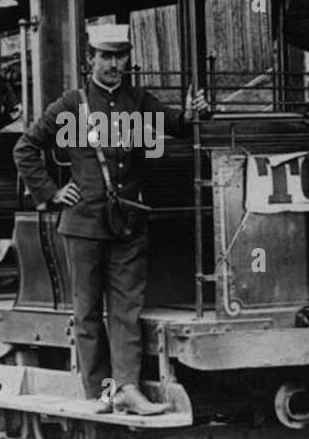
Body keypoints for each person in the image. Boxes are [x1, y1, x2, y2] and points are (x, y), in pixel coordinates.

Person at [13, 23, 210, 416]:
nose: (113, 64)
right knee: (87, 313)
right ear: (90, 60)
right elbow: (26, 148)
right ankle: (101, 394)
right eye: (106, 56)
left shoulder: (138, 99)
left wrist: (193, 112)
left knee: (126, 311)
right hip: (82, 225)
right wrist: (52, 193)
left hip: (127, 224)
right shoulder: (71, 104)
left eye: (120, 56)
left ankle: (127, 389)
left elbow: (178, 126)